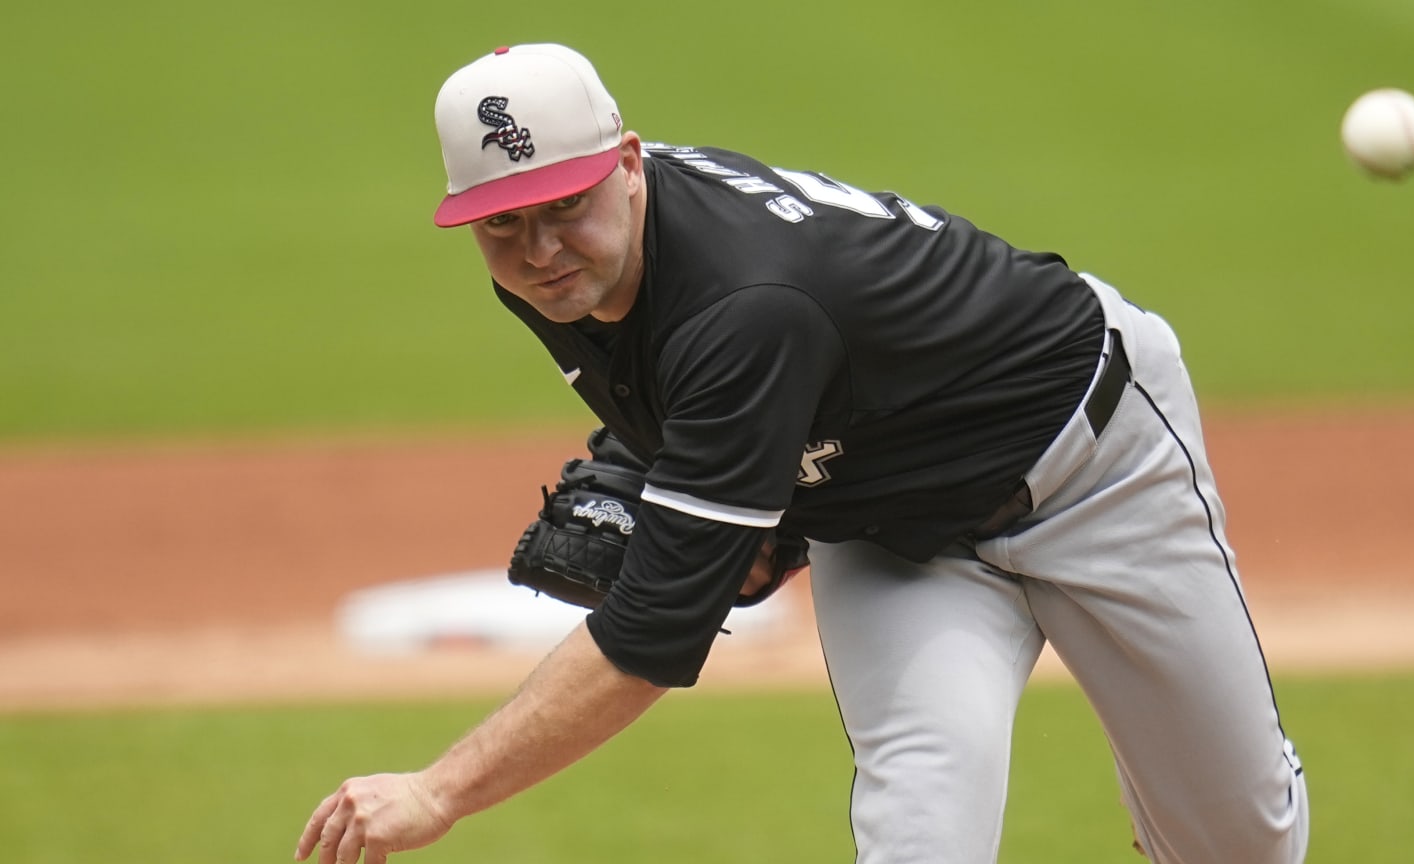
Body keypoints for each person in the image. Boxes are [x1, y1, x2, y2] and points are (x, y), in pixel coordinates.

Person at [295, 42, 1309, 864]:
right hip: (890, 532)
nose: (542, 249)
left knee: (1239, 846)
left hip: (1093, 466)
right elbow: (677, 385)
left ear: (630, 163)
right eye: (502, 223)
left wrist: (439, 791)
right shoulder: (556, 271)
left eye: (567, 203)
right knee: (921, 838)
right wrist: (693, 477)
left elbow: (652, 635)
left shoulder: (748, 304)